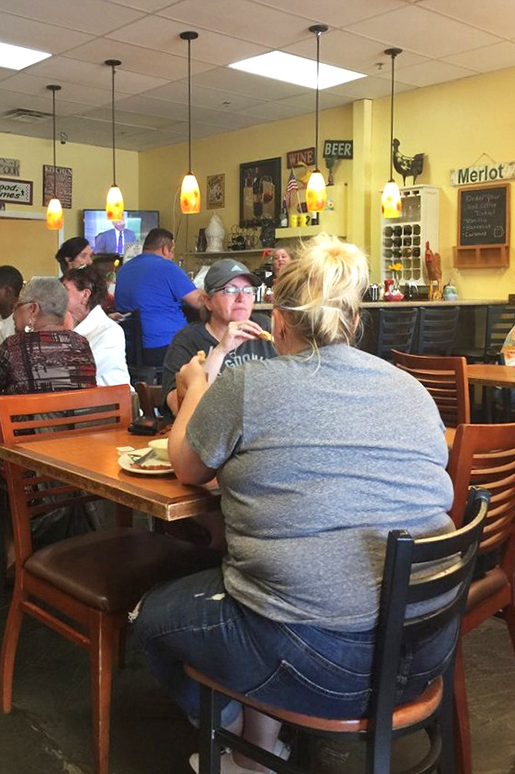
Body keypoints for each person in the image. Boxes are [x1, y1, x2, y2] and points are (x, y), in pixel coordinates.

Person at [133, 234, 457, 774]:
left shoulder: (250, 384)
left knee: (152, 618)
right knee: (271, 586)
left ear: (278, 319)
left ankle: (242, 747)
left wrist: (194, 387)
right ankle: (260, 741)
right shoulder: (412, 389)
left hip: (320, 665)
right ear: (354, 322)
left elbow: (187, 467)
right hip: (425, 649)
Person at [0, 278, 96, 560]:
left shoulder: (15, 345)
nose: (15, 313)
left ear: (33, 309)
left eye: (18, 306)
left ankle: (12, 551)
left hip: (30, 463)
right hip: (79, 458)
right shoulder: (82, 344)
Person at [161, 259, 276, 416]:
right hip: (209, 433)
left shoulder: (265, 328)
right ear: (208, 302)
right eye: (230, 290)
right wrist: (220, 350)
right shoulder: (187, 340)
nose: (241, 297)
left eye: (248, 290)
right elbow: (177, 407)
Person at [114, 228, 204, 367]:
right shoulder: (168, 267)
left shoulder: (124, 269)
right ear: (165, 250)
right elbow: (199, 302)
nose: (172, 256)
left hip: (129, 346)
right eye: (172, 251)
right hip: (163, 346)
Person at [63, 265, 130, 387]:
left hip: (114, 402)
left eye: (64, 291)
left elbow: (80, 373)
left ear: (85, 295)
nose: (59, 296)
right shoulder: (66, 324)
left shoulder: (110, 332)